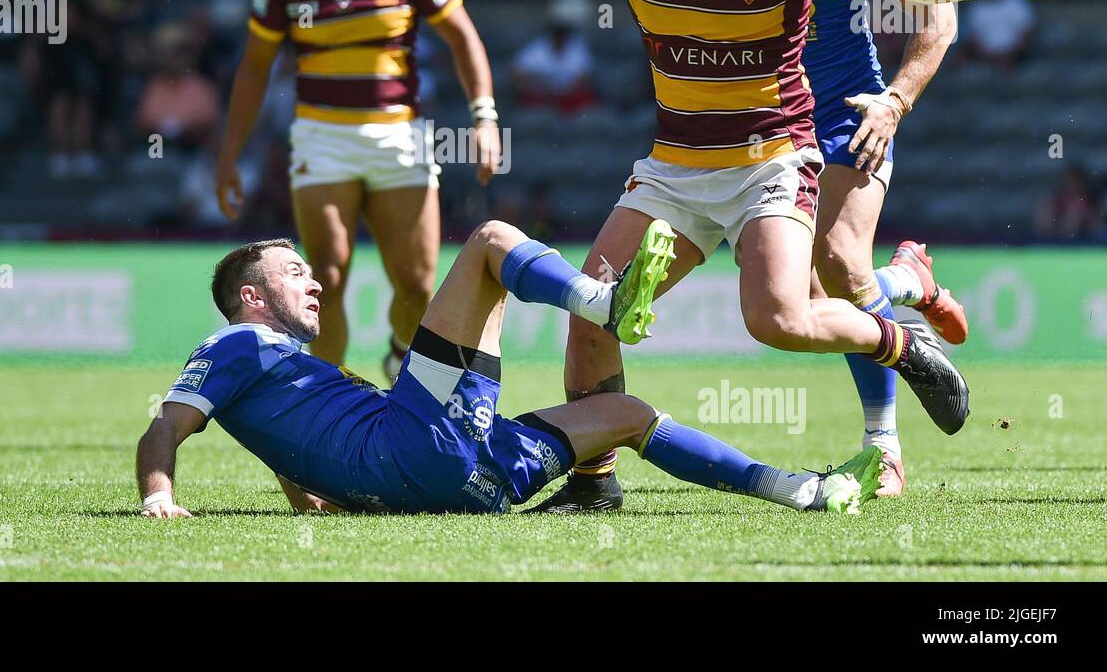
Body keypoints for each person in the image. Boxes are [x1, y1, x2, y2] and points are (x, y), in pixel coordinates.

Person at [505, 0, 1049, 512]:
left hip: (771, 161)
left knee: (779, 319)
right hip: (674, 165)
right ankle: (594, 482)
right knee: (593, 311)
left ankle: (900, 342)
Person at [137, 219, 892, 517]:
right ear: (249, 295)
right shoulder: (233, 343)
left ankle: (801, 491)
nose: (313, 280)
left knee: (627, 416)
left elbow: (291, 439)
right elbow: (166, 425)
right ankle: (601, 302)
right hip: (415, 441)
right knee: (491, 243)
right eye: (293, 271)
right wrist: (158, 497)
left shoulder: (275, 369)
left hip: (465, 481)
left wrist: (313, 500)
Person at [743, 0, 969, 498]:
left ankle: (885, 448)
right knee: (804, 297)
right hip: (763, 122)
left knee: (840, 267)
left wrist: (895, 102)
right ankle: (910, 281)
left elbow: (939, 15)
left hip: (848, 113)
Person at [214, 0, 501, 380]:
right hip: (322, 138)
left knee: (417, 286)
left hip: (399, 134)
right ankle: (332, 397)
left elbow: (464, 36)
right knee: (326, 274)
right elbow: (253, 67)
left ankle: (399, 353)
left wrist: (484, 118)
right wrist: (229, 155)